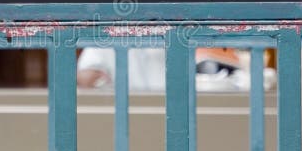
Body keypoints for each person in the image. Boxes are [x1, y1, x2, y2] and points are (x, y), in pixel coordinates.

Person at [76, 47, 276, 92]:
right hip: (131, 122)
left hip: (185, 120)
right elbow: (86, 75)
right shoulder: (111, 38)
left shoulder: (192, 31)